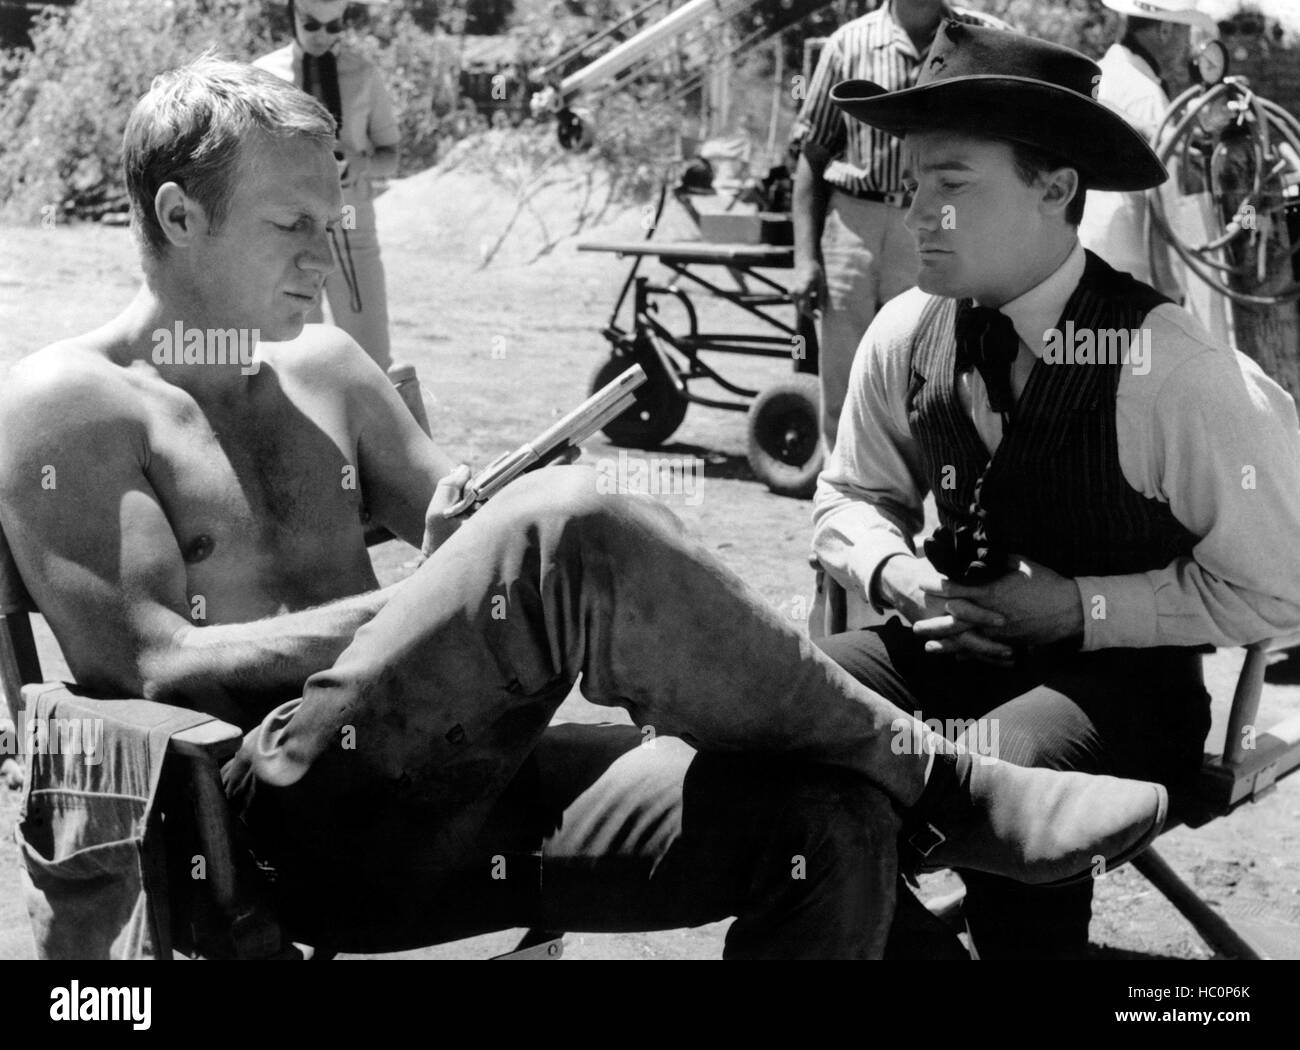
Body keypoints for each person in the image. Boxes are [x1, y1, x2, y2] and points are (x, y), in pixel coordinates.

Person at [0, 57, 1168, 959]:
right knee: (571, 527)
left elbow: (467, 539)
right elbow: (152, 668)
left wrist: (467, 546)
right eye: (291, 225)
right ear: (177, 217)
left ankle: (915, 784)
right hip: (285, 821)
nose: (329, 255)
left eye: (336, 219)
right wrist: (449, 586)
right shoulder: (67, 409)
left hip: (472, 787)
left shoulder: (329, 373)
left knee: (827, 822)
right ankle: (959, 785)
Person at [814, 21, 1300, 958]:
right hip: (951, 654)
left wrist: (1078, 609)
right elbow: (848, 497)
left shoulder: (1174, 372)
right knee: (790, 707)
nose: (917, 214)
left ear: (1055, 187)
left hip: (1129, 694)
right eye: (913, 185)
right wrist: (895, 576)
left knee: (1000, 779)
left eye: (952, 185)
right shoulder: (906, 333)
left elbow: (1283, 584)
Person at [789, 0, 1009, 451]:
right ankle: (842, 500)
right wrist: (804, 258)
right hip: (854, 221)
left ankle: (930, 505)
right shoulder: (848, 44)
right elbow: (812, 157)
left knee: (928, 372)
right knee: (845, 378)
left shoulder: (980, 38)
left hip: (940, 220)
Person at [254, 0, 398, 373]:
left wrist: (358, 161)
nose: (323, 36)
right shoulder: (261, 77)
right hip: (287, 237)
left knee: (374, 365)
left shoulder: (364, 74)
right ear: (292, 16)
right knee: (295, 363)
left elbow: (391, 157)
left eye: (334, 27)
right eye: (312, 24)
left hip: (353, 227)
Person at [1077, 0, 1215, 301]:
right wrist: (1172, 292)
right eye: (1184, 33)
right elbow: (1164, 208)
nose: (1186, 46)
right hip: (1129, 272)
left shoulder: (1100, 75)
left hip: (1083, 259)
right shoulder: (1145, 95)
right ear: (1165, 30)